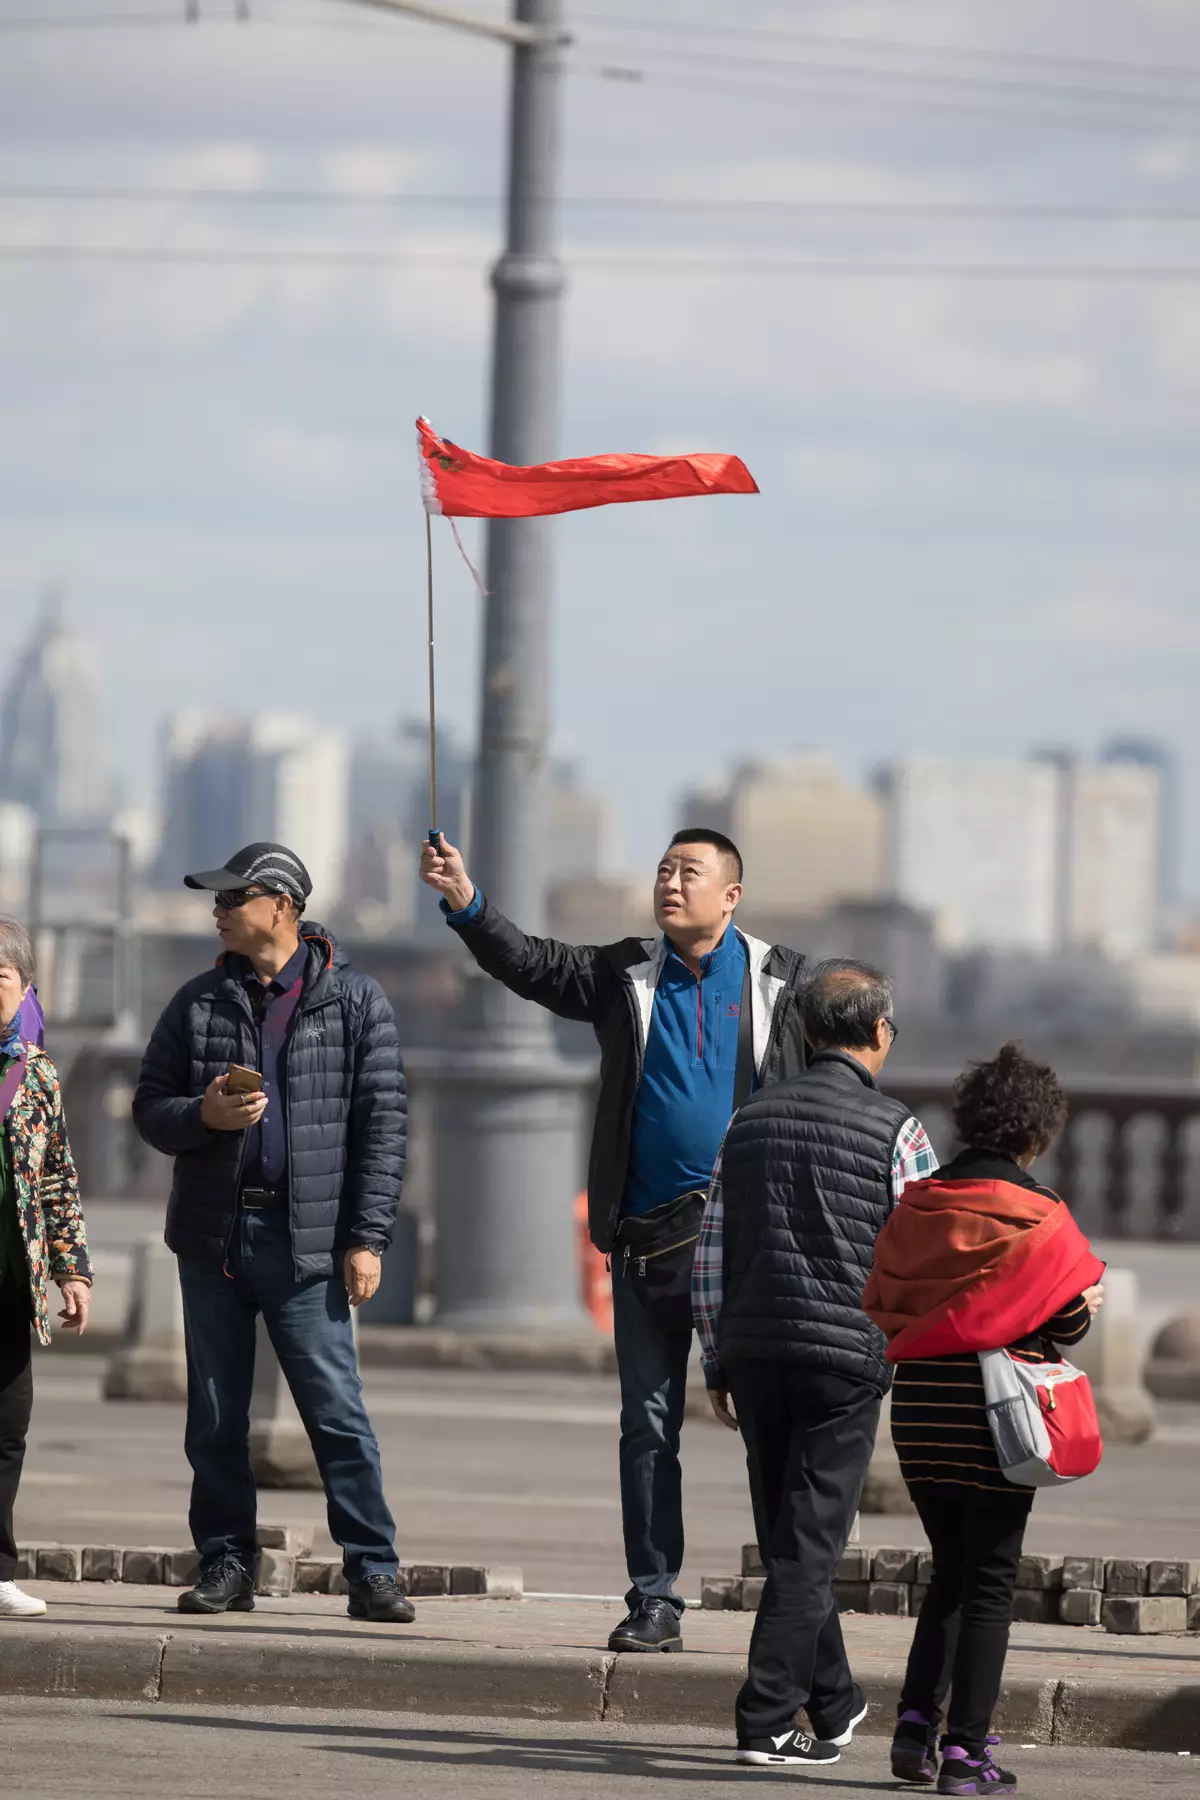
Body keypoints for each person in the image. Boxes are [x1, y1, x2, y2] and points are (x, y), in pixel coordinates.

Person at [420, 826, 807, 1652]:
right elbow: (529, 963)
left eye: (689, 873)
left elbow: (833, 1089)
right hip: (646, 1244)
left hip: (746, 1249)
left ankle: (791, 1599)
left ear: (730, 896)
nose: (670, 883)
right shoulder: (623, 972)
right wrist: (466, 901)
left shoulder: (785, 983)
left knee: (768, 1424)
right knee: (649, 1424)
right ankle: (655, 1599)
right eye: (663, 870)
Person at [132, 842, 412, 1623]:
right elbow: (150, 1108)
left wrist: (367, 1238)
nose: (216, 912)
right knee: (216, 1416)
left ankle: (373, 1568)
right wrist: (203, 1116)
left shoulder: (354, 1000)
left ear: (282, 907)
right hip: (214, 1238)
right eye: (216, 902)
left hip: (311, 1243)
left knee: (335, 1411)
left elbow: (384, 1127)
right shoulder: (196, 1003)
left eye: (231, 900)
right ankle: (226, 1562)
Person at [693, 957, 938, 1768]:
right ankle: (766, 1718)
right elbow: (931, 1255)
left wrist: (715, 1356)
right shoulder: (899, 1130)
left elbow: (712, 1252)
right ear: (879, 1033)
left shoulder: (749, 1120)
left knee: (793, 1535)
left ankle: (833, 1701)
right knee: (808, 1543)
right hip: (845, 1359)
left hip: (757, 1351)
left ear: (802, 1031)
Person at [864, 1043, 1105, 1796]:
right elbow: (1062, 1322)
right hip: (998, 1416)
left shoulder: (919, 1204)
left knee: (949, 1575)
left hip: (922, 1412)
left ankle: (914, 1728)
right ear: (1038, 1134)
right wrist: (1080, 1307)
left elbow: (887, 1298)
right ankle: (966, 1752)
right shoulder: (1040, 1214)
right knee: (991, 1583)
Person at [0, 917, 92, 1619]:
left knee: (7, 1428)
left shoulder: (36, 1074)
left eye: (1, 977)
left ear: (25, 989)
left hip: (9, 1281)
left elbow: (56, 1176)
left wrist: (73, 1270)